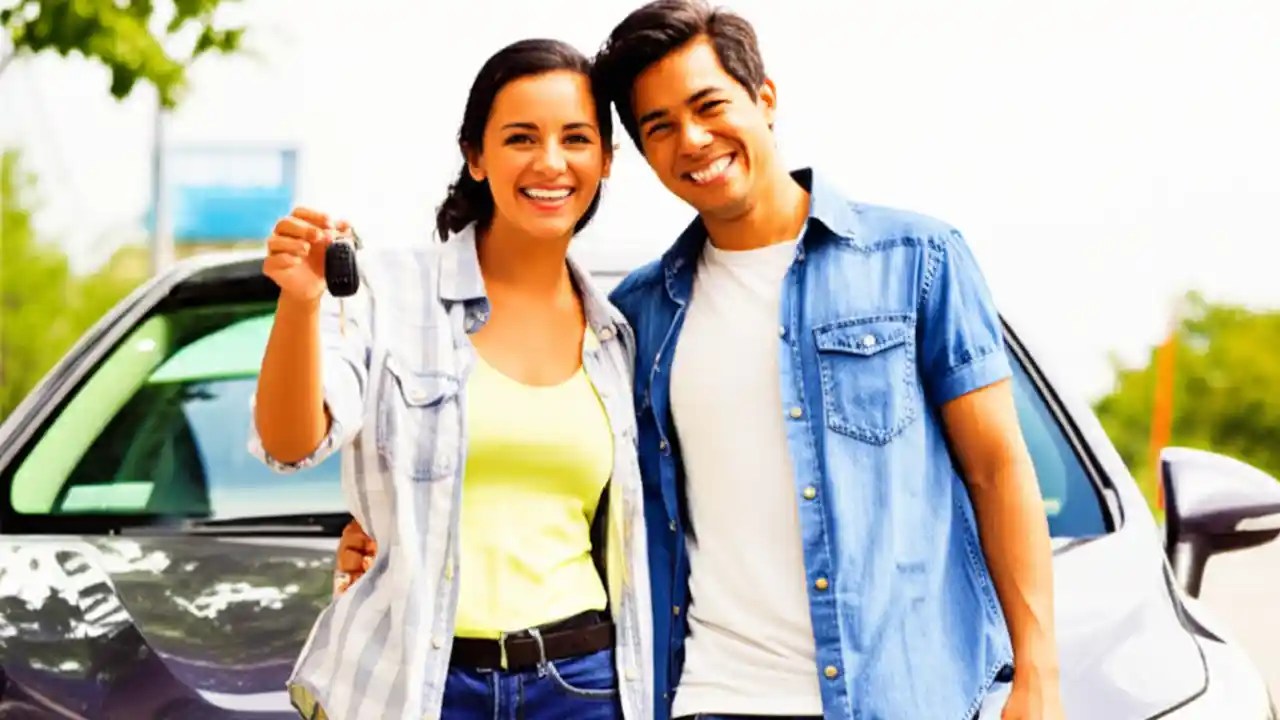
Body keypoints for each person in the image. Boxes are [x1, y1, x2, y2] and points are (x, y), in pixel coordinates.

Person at [338, 1, 1065, 718]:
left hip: (904, 698)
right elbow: (565, 481)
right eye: (659, 126)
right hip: (711, 696)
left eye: (709, 105)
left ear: (765, 99)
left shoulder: (915, 260)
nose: (691, 139)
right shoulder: (634, 316)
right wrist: (397, 538)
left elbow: (998, 468)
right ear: (640, 154)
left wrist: (1037, 674)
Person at [249, 38, 654, 720]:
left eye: (576, 138)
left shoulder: (617, 335)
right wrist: (300, 301)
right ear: (475, 155)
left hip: (583, 685)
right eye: (520, 137)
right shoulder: (386, 291)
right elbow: (291, 444)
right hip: (421, 686)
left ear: (606, 159)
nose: (550, 162)